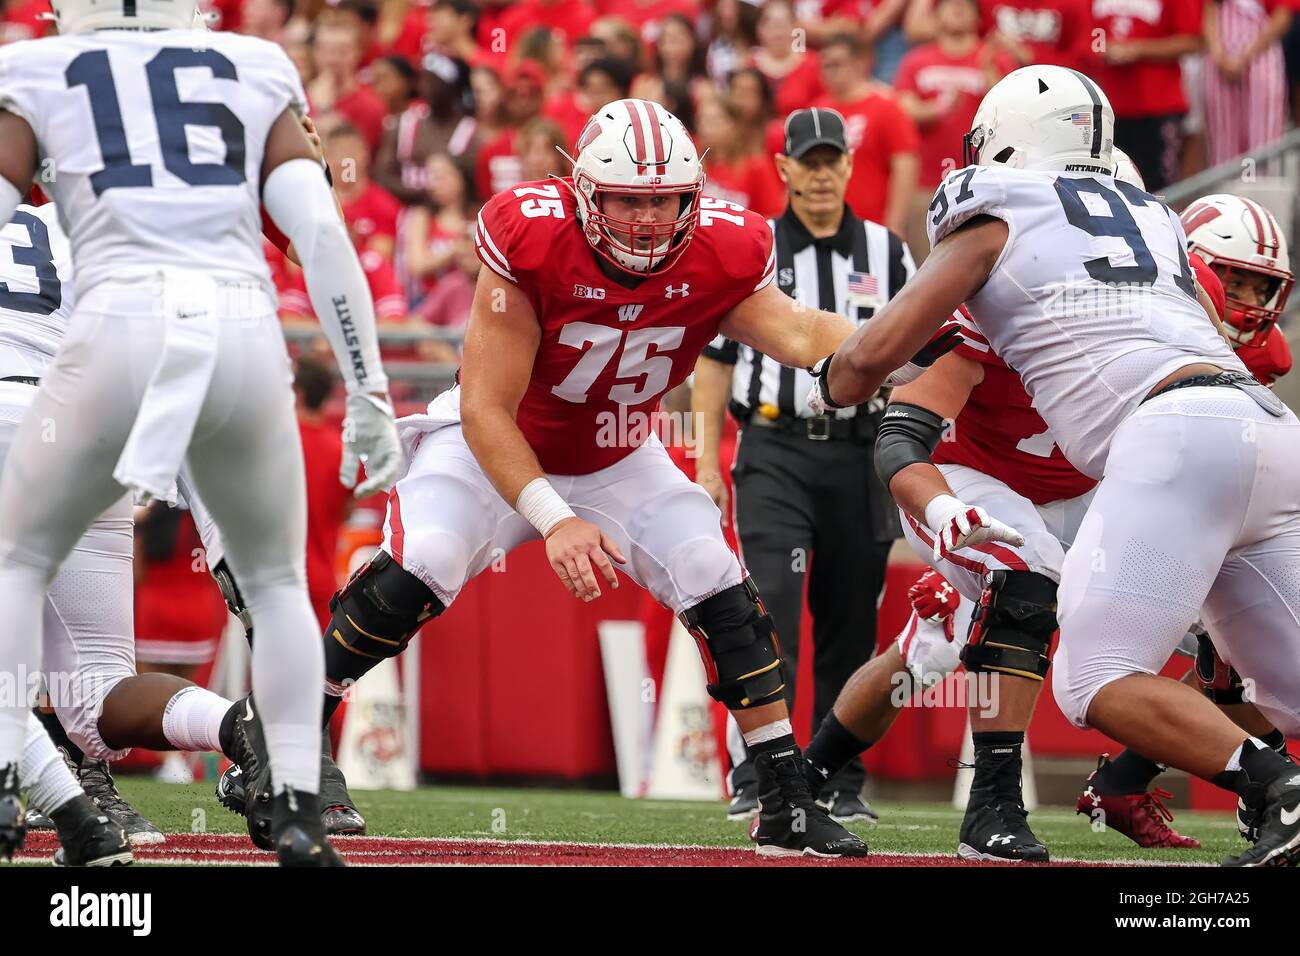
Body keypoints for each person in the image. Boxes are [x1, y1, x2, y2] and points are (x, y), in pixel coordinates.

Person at [222, 98, 960, 858]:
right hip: (495, 444)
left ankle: (782, 795)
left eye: (664, 200)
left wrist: (927, 349)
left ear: (692, 196)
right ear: (582, 192)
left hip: (618, 449)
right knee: (428, 560)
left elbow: (807, 333)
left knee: (714, 574)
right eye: (628, 200)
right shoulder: (532, 236)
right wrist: (553, 517)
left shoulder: (724, 247)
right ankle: (282, 738)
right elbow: (485, 410)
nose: (647, 220)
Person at [810, 64, 1300, 867]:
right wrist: (942, 510)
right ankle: (931, 790)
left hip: (1158, 447)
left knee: (1096, 678)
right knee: (1277, 684)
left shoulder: (999, 213)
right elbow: (904, 434)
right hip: (1259, 432)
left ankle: (1274, 788)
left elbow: (867, 360)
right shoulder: (1156, 224)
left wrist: (832, 376)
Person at [0, 0, 403, 865]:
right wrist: (368, 389)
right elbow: (323, 235)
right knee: (276, 582)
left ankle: (14, 773)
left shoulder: (33, 73)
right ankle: (298, 796)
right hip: (239, 333)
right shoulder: (255, 66)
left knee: (19, 564)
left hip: (99, 343)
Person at [693, 107, 919, 825]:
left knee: (852, 622)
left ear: (851, 166)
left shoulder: (889, 253)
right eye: (807, 162)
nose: (821, 175)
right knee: (769, 615)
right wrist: (703, 459)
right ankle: (761, 773)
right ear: (784, 168)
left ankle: (837, 776)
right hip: (774, 449)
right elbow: (713, 360)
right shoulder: (753, 247)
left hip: (859, 452)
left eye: (833, 161)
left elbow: (917, 355)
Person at [815, 31, 920, 233]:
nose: (829, 72)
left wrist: (895, 226)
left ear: (858, 64)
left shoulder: (887, 107)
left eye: (836, 64)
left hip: (873, 227)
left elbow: (905, 167)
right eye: (825, 66)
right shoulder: (817, 111)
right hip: (825, 228)